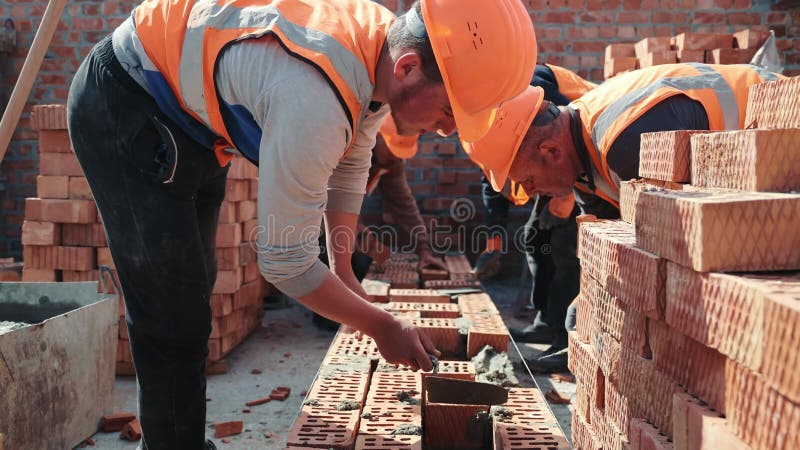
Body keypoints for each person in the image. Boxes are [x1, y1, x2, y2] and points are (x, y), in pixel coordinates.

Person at [66, 0, 537, 447]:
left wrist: (345, 272)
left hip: (192, 122)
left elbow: (353, 159)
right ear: (409, 68)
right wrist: (380, 326)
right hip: (128, 98)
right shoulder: (314, 97)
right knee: (170, 303)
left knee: (192, 287)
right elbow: (284, 263)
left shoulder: (378, 44)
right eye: (450, 112)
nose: (448, 129)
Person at [464, 62, 782, 372]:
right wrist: (589, 298)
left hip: (780, 122)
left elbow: (674, 254)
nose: (531, 193)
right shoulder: (583, 162)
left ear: (551, 151)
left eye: (528, 181)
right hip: (761, 176)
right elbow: (607, 246)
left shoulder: (625, 144)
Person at [470, 65, 597, 361]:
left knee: (563, 244)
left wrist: (563, 202)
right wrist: (494, 245)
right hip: (555, 164)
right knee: (535, 237)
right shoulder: (482, 121)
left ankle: (569, 341)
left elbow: (563, 138)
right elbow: (492, 181)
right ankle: (547, 322)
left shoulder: (527, 87)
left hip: (587, 159)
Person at [313, 113, 447, 330]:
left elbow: (403, 204)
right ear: (378, 137)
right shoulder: (344, 145)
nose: (397, 158)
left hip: (340, 215)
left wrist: (424, 249)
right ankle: (327, 317)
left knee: (360, 256)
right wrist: (349, 228)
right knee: (331, 251)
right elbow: (315, 194)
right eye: (394, 151)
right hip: (313, 213)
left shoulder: (391, 162)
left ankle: (349, 309)